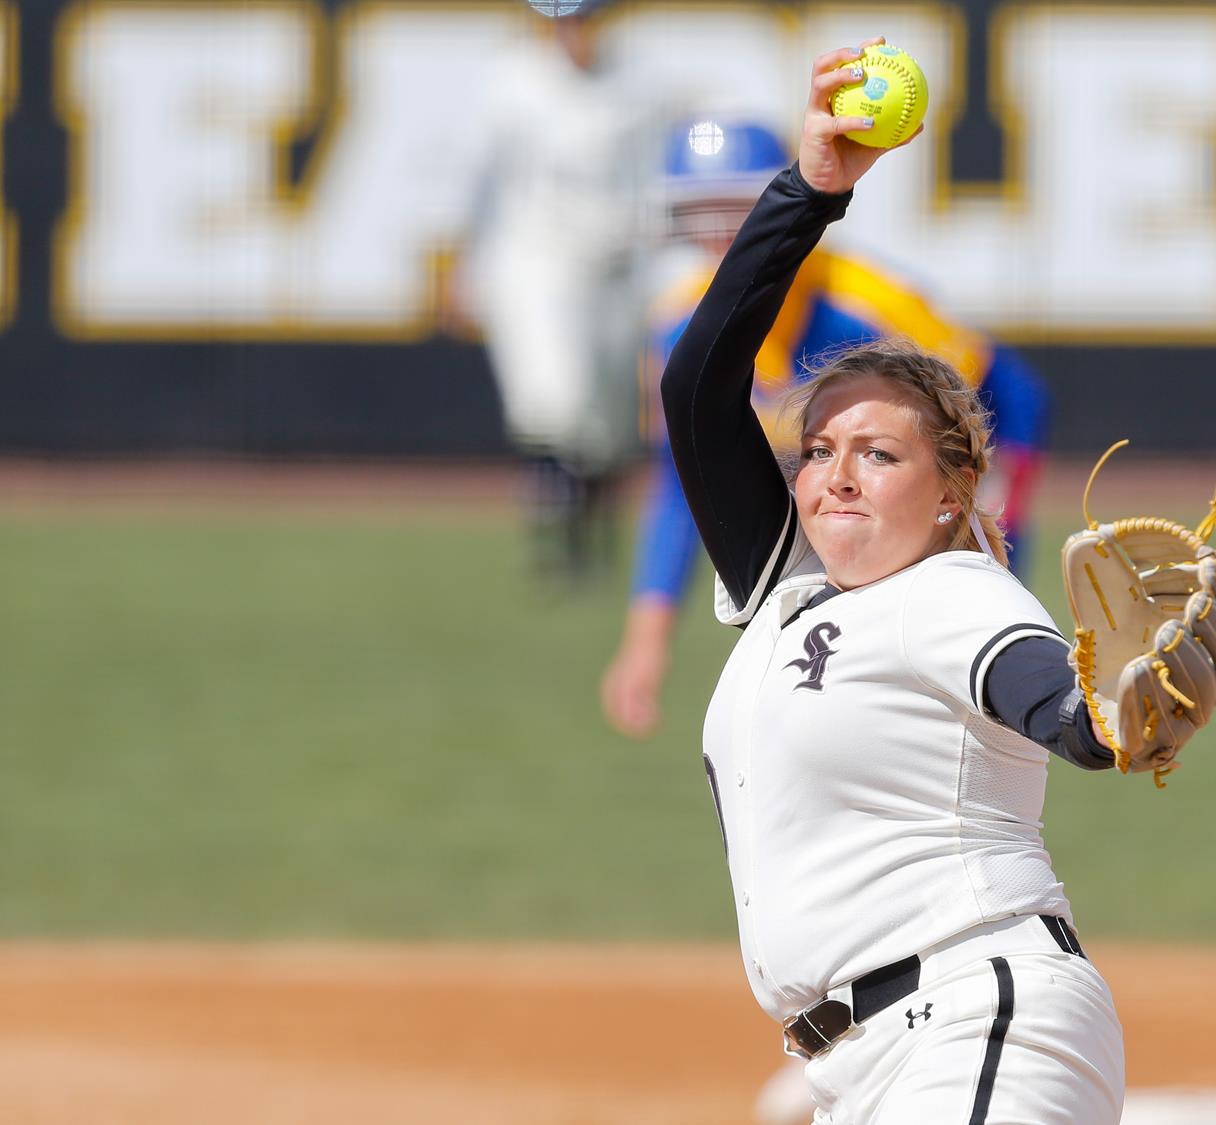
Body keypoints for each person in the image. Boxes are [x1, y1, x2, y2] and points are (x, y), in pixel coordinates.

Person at [657, 41, 1166, 1124]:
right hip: (865, 1063)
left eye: (878, 454)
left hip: (984, 1020)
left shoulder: (958, 594)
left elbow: (1057, 703)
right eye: (819, 450)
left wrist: (1111, 710)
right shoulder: (788, 585)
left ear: (951, 490)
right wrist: (810, 190)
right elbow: (698, 384)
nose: (836, 474)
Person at [599, 114, 1048, 738]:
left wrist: (989, 536)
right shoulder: (679, 325)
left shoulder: (866, 305)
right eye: (700, 210)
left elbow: (972, 404)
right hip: (840, 459)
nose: (722, 231)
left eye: (739, 207)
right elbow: (682, 489)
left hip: (983, 426)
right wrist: (646, 642)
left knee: (959, 588)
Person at [444, 0, 663, 582]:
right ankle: (557, 537)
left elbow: (659, 176)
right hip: (534, 257)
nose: (577, 31)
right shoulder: (512, 81)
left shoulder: (638, 80)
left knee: (610, 421)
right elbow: (479, 180)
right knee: (554, 397)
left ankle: (591, 537)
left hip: (615, 261)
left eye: (587, 18)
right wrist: (460, 266)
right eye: (567, 18)